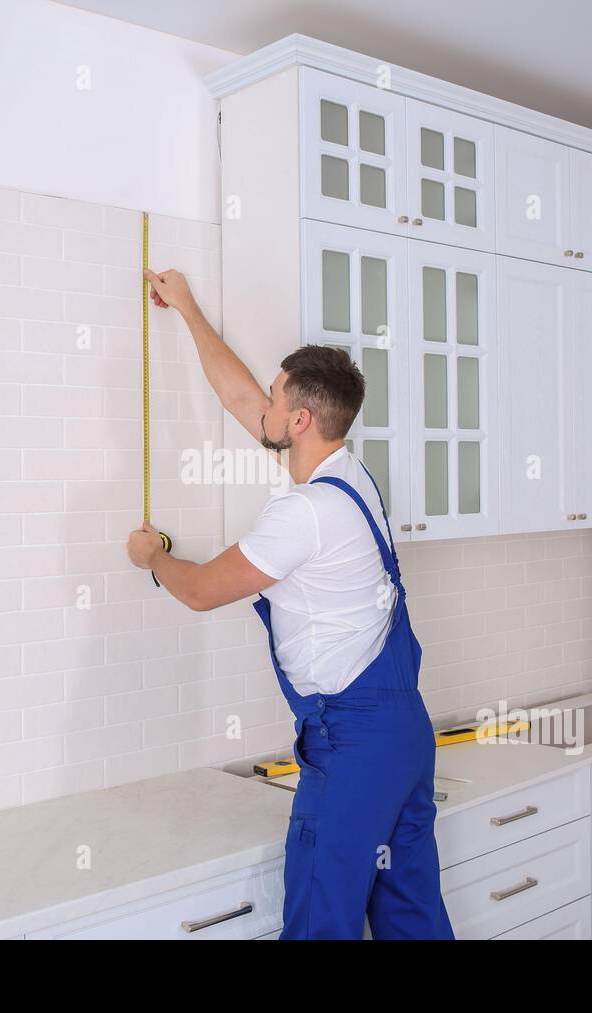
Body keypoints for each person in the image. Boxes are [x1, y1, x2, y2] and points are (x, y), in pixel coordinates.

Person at [125, 268, 455, 941]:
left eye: (277, 401)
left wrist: (152, 557)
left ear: (300, 419)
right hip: (405, 736)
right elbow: (242, 396)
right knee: (412, 918)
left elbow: (199, 591)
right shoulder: (348, 474)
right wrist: (186, 307)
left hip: (354, 746)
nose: (264, 409)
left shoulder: (303, 514)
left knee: (319, 921)